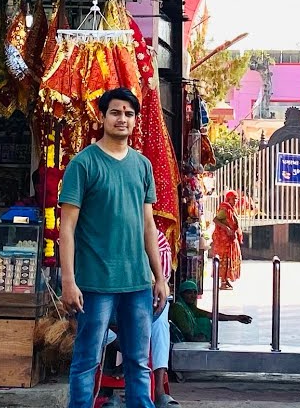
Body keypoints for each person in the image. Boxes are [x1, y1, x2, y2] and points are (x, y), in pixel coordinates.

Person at [60, 87, 169, 408]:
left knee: (138, 361)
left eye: (129, 114)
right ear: (103, 117)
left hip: (137, 282)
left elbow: (148, 226)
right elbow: (67, 228)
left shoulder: (142, 165)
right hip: (95, 282)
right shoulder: (83, 164)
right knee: (87, 360)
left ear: (135, 121)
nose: (122, 119)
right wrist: (68, 280)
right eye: (116, 112)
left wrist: (159, 277)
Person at [100, 228, 177, 408]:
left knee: (161, 321)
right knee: (90, 319)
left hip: (146, 302)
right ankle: (110, 383)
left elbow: (161, 280)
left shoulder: (158, 238)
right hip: (113, 300)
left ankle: (159, 390)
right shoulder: (112, 232)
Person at [170, 279, 253, 342]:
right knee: (203, 321)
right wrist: (197, 341)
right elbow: (186, 333)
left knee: (204, 320)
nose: (193, 296)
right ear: (181, 294)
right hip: (181, 343)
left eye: (195, 292)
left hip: (188, 341)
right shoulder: (178, 308)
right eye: (189, 292)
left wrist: (237, 318)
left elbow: (212, 315)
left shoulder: (190, 308)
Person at [211, 190, 242, 291]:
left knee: (230, 260)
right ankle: (223, 282)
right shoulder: (225, 209)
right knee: (225, 260)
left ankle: (226, 279)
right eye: (233, 198)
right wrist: (227, 228)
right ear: (228, 199)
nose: (235, 201)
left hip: (230, 239)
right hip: (224, 241)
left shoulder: (232, 209)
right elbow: (215, 220)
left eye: (236, 199)